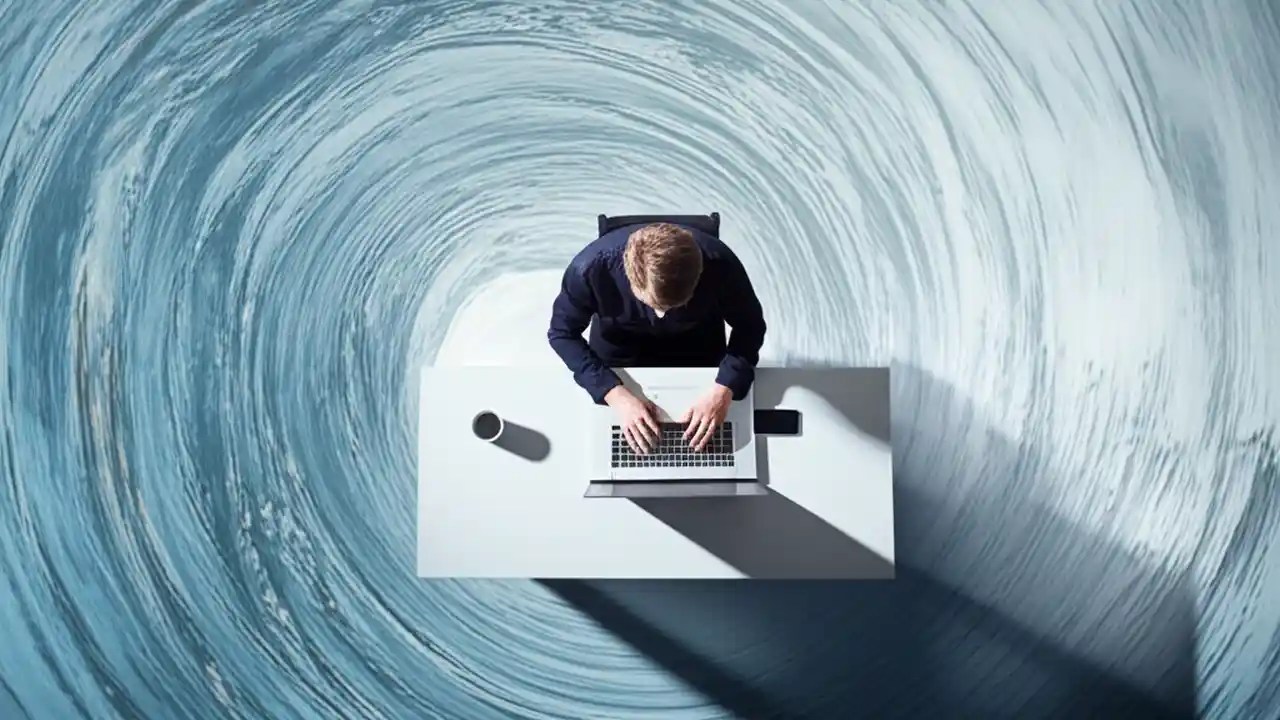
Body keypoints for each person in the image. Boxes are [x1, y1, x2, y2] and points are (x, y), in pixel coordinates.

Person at [547, 220, 766, 455]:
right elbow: (562, 333)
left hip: (697, 344)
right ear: (631, 277)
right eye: (655, 305)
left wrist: (724, 389)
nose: (664, 314)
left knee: (707, 444)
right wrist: (614, 394)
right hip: (619, 346)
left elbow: (750, 325)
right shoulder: (588, 269)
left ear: (700, 271)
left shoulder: (723, 265)